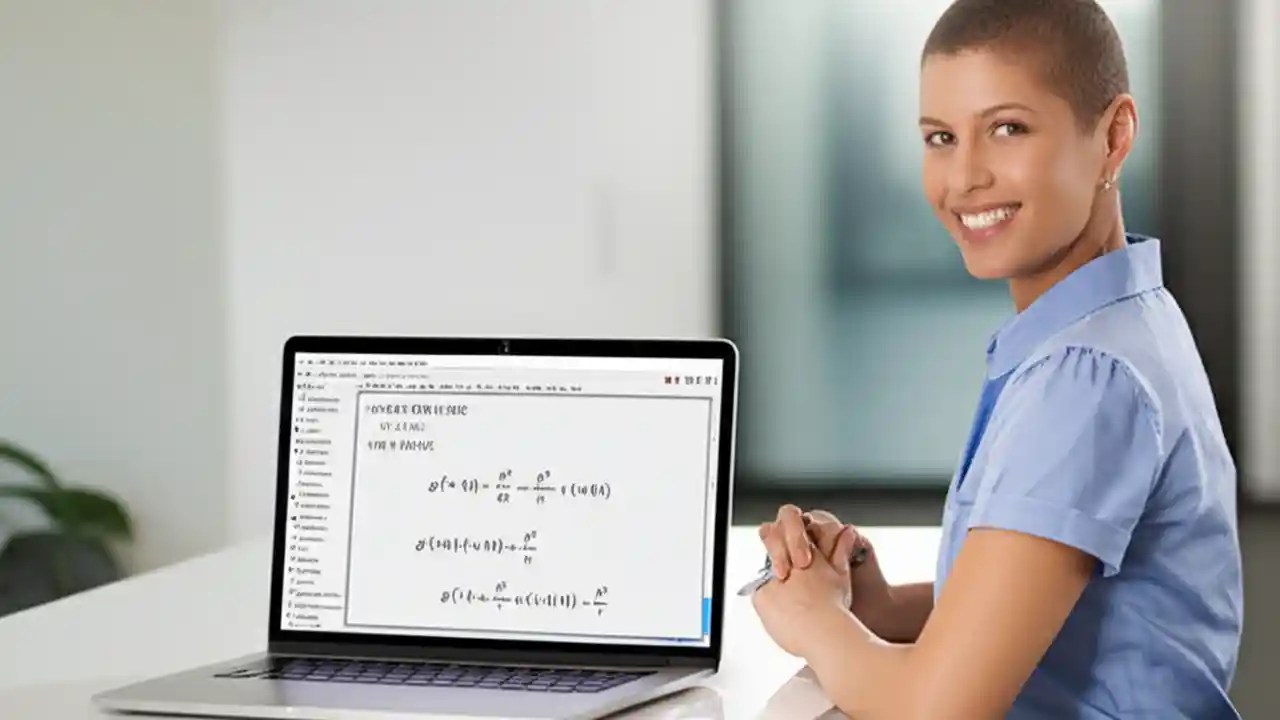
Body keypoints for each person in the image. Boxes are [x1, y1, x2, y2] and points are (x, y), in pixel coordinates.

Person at [749, 1, 1244, 717]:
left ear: (1113, 136)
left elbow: (939, 710)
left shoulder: (1086, 376)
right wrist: (877, 606)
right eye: (941, 138)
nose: (965, 177)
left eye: (1007, 129)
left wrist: (814, 623)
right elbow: (1068, 612)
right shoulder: (1123, 320)